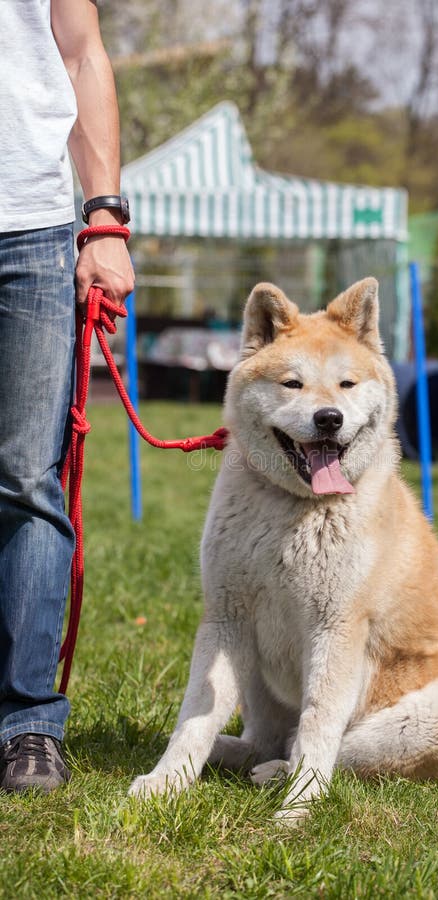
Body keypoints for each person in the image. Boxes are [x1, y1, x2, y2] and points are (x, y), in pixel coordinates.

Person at [0, 0, 134, 792]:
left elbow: (82, 55)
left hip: (33, 229)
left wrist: (105, 216)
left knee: (26, 481)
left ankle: (27, 727)